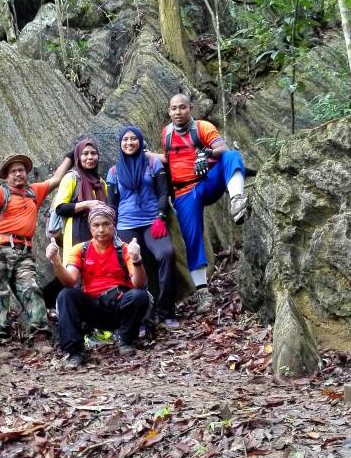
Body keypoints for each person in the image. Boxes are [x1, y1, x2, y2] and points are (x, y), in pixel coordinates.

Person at [0, 152, 71, 346]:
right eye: (13, 171)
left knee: (31, 289)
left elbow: (56, 179)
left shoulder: (34, 192)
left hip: (24, 251)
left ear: (26, 173)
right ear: (7, 176)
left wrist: (69, 157)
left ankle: (40, 338)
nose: (18, 174)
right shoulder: (1, 192)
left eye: (21, 170)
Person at [162, 92, 247, 313]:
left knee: (232, 156)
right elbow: (168, 161)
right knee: (192, 238)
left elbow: (222, 149)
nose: (178, 112)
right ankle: (202, 292)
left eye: (182, 107)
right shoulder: (167, 134)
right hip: (183, 192)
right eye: (174, 108)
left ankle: (237, 200)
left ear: (190, 108)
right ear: (169, 111)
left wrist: (206, 153)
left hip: (207, 182)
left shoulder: (202, 127)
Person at [46, 203, 150, 367]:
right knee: (65, 294)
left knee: (139, 295)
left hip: (119, 307)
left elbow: (139, 283)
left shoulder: (124, 249)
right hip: (93, 308)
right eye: (96, 225)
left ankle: (126, 341)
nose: (101, 229)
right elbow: (70, 281)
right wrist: (56, 262)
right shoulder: (81, 249)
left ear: (113, 225)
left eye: (106, 224)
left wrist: (137, 259)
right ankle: (75, 352)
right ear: (90, 227)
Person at [106, 126, 178, 329]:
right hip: (126, 225)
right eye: (125, 140)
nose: (129, 143)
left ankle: (166, 312)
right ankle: (141, 318)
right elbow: (112, 204)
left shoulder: (152, 163)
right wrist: (111, 229)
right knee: (131, 266)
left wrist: (161, 215)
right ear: (120, 144)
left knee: (166, 254)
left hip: (152, 222)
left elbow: (163, 191)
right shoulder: (113, 171)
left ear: (140, 141)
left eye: (133, 139)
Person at [50, 137, 108, 263]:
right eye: (85, 153)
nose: (90, 157)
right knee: (76, 275)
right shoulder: (71, 178)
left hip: (99, 234)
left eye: (93, 153)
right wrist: (87, 204)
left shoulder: (101, 183)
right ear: (78, 157)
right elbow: (60, 208)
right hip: (76, 235)